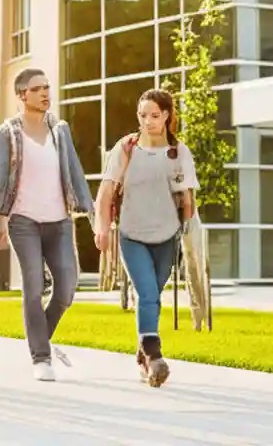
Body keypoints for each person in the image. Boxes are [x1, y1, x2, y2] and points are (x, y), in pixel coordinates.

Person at [0, 68, 93, 381]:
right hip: (24, 221)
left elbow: (74, 168)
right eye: (37, 89)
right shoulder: (7, 133)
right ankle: (41, 357)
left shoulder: (60, 129)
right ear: (22, 95)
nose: (45, 93)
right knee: (33, 286)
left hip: (59, 220)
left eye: (47, 87)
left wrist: (89, 209)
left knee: (66, 290)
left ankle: (40, 338)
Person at [94, 88, 198, 388]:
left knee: (153, 296)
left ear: (166, 115)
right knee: (148, 293)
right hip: (132, 234)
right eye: (142, 115)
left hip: (167, 235)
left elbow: (188, 198)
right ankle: (155, 355)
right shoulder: (125, 149)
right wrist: (101, 227)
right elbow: (106, 193)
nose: (147, 121)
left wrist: (189, 232)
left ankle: (142, 355)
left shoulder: (178, 153)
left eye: (154, 115)